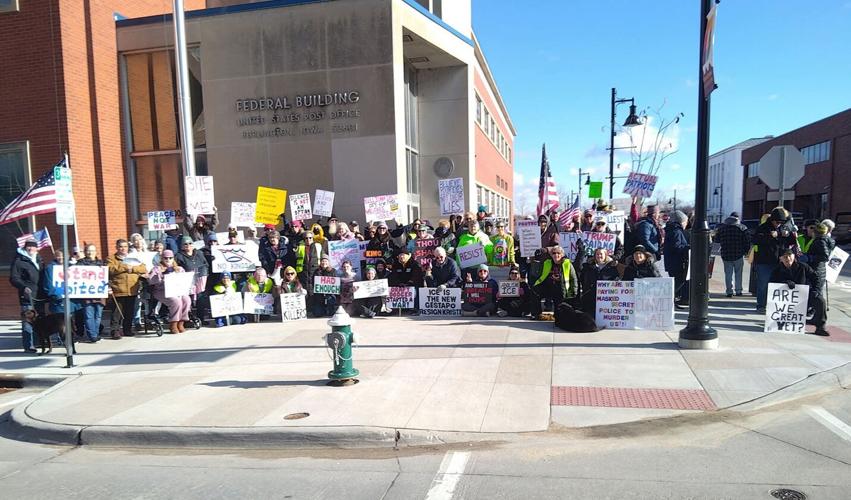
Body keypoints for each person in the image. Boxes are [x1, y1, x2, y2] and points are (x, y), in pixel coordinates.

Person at [769, 249, 828, 336]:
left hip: (803, 297)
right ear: (780, 258)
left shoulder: (803, 267)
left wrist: (816, 290)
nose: (788, 258)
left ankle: (820, 327)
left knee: (820, 300)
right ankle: (779, 323)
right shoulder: (777, 270)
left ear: (794, 256)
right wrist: (785, 283)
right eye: (785, 257)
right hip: (785, 302)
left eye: (790, 255)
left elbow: (816, 278)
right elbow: (771, 285)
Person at [753, 207, 797, 312]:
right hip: (764, 261)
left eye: (781, 222)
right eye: (777, 222)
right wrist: (770, 236)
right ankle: (761, 305)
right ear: (772, 220)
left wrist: (790, 235)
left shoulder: (784, 227)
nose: (779, 224)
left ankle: (775, 306)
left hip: (780, 261)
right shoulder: (763, 227)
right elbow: (756, 240)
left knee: (778, 284)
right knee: (763, 284)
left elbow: (792, 242)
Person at [107, 239, 147, 339]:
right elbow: (110, 269)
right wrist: (124, 267)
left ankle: (127, 329)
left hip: (132, 289)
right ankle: (115, 331)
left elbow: (143, 268)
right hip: (118, 290)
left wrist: (132, 269)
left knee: (129, 312)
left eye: (125, 246)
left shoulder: (133, 258)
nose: (123, 248)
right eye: (120, 246)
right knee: (117, 313)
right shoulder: (111, 258)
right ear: (117, 247)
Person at [147, 250, 192, 334]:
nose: (168, 260)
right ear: (162, 258)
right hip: (161, 290)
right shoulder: (157, 268)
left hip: (177, 290)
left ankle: (181, 322)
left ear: (173, 258)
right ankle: (173, 323)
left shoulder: (179, 268)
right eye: (166, 258)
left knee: (187, 299)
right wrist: (161, 278)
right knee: (176, 301)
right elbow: (150, 280)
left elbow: (184, 280)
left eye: (170, 258)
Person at [11, 240, 43, 353]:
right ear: (25, 248)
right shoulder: (19, 261)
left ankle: (38, 342)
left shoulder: (39, 259)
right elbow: (14, 278)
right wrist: (23, 287)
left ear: (36, 248)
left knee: (39, 320)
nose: (30, 249)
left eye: (32, 247)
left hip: (39, 296)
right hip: (27, 296)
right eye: (28, 247)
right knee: (28, 321)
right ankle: (29, 346)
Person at [531, 246, 578, 318]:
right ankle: (536, 314)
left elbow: (574, 278)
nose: (556, 255)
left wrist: (573, 291)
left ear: (562, 254)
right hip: (548, 287)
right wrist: (536, 260)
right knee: (534, 291)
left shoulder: (567, 264)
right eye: (554, 253)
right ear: (551, 255)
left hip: (561, 289)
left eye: (558, 253)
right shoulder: (547, 262)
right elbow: (536, 273)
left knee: (558, 315)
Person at [73, 244, 106, 343]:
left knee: (98, 315)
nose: (90, 252)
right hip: (87, 293)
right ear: (85, 252)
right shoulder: (80, 263)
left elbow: (106, 277)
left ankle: (95, 333)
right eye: (88, 250)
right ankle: (92, 336)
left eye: (92, 250)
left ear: (96, 252)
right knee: (88, 315)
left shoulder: (101, 263)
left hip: (99, 293)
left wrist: (108, 286)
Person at [714, 212, 752, 297]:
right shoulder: (742, 228)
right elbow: (747, 241)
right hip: (738, 254)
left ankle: (729, 291)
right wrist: (746, 251)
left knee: (728, 274)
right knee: (738, 273)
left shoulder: (722, 228)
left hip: (726, 254)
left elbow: (716, 240)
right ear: (737, 218)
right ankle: (738, 291)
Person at [579, 248, 620, 313]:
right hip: (590, 299)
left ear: (605, 255)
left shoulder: (612, 268)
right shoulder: (588, 267)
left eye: (601, 254)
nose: (599, 256)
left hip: (605, 300)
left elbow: (616, 281)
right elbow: (582, 279)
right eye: (597, 254)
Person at [664, 210, 690, 307]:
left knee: (676, 282)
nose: (686, 224)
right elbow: (677, 246)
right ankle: (669, 300)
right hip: (676, 262)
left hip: (672, 261)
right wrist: (688, 247)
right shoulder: (677, 231)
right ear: (681, 221)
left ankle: (671, 301)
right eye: (685, 222)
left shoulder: (672, 230)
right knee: (679, 281)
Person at [806, 222, 835, 296]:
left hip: (816, 269)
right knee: (817, 292)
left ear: (815, 232)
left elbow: (825, 256)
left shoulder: (820, 241)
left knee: (815, 293)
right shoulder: (824, 240)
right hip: (820, 269)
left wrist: (809, 257)